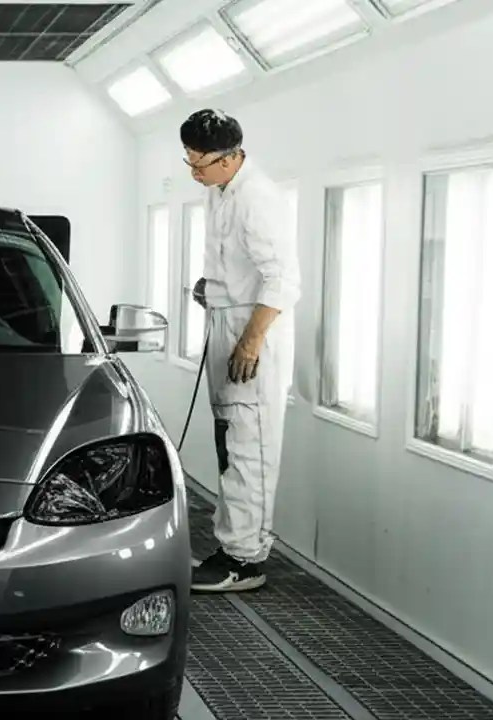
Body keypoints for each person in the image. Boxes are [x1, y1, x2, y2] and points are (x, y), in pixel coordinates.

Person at [181, 109, 301, 593]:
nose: (195, 173)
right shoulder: (220, 190)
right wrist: (209, 287)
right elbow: (236, 263)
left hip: (254, 331)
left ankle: (245, 559)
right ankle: (230, 545)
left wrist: (251, 341)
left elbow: (283, 280)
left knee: (249, 445)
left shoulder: (258, 198)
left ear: (231, 158)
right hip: (226, 318)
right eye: (189, 162)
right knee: (229, 440)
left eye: (201, 164)